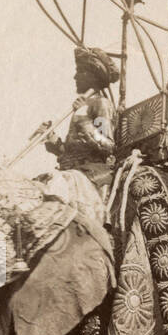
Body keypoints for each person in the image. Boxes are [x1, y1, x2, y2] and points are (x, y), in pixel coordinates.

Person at [38, 46, 121, 223]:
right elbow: (69, 152)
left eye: (79, 72)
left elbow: (107, 145)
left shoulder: (100, 104)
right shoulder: (82, 107)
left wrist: (84, 120)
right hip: (73, 171)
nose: (75, 77)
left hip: (93, 174)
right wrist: (52, 139)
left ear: (92, 76)